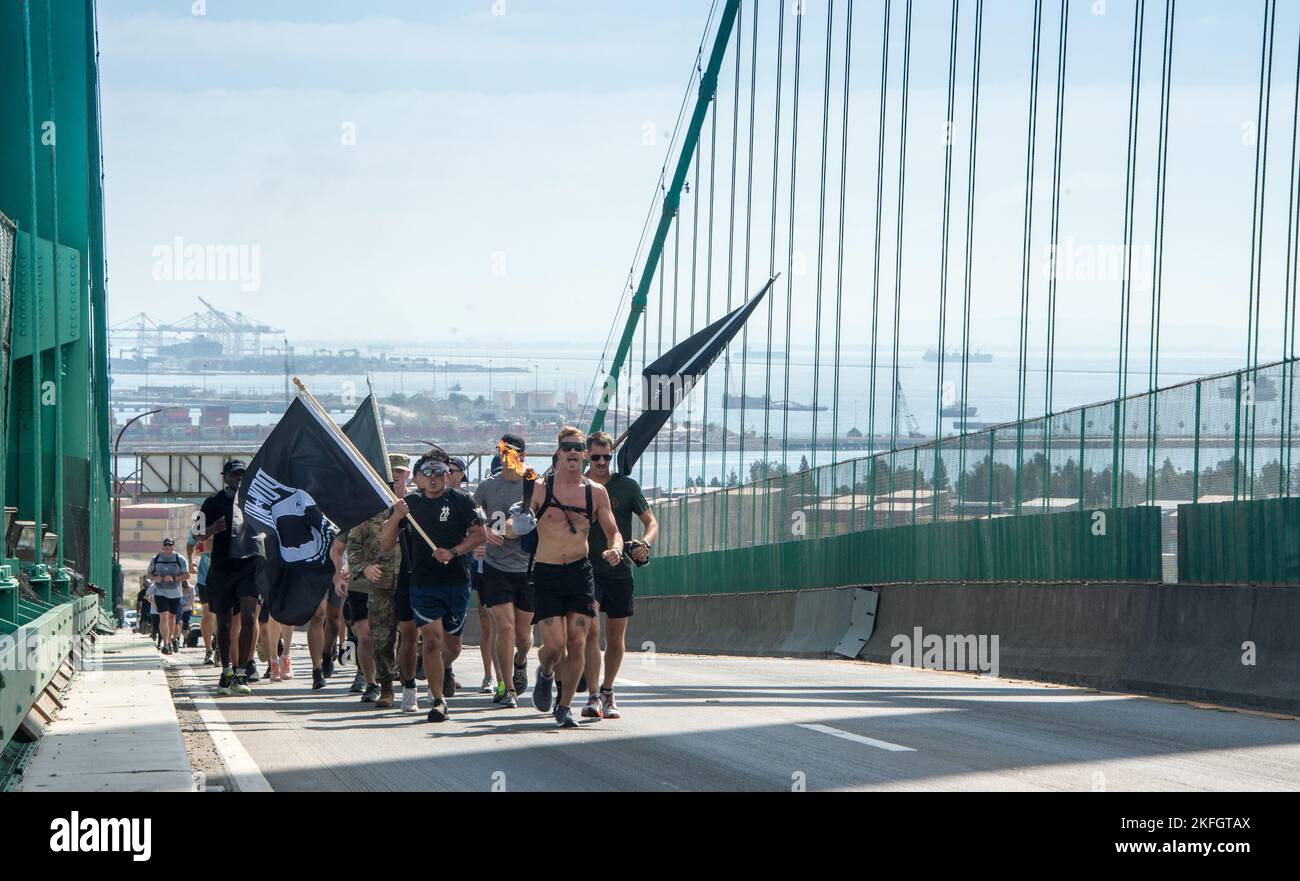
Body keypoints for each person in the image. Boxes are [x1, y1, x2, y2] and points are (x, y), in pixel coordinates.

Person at [519, 426, 623, 729]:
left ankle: (563, 707)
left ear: (585, 455)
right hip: (547, 573)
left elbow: (613, 532)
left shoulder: (595, 492)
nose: (573, 453)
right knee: (554, 647)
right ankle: (546, 672)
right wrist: (515, 525)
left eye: (579, 448)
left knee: (578, 641)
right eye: (568, 448)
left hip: (579, 572)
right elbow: (518, 524)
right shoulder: (540, 488)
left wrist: (616, 550)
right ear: (558, 453)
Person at [380, 450, 487, 723]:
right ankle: (438, 700)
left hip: (456, 580)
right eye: (427, 472)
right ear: (418, 477)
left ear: (447, 474)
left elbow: (480, 535)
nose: (433, 477)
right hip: (422, 582)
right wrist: (395, 517)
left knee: (452, 648)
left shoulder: (462, 500)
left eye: (439, 471)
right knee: (431, 640)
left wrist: (453, 551)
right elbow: (385, 543)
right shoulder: (410, 503)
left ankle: (435, 670)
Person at [581, 431, 657, 719]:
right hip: (586, 569)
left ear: (612, 456)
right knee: (591, 631)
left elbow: (651, 522)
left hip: (619, 570)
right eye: (596, 456)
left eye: (607, 457)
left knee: (615, 638)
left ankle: (607, 690)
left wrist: (645, 544)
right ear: (587, 455)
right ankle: (591, 696)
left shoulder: (627, 487)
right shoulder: (577, 487)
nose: (602, 462)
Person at [332, 455, 404, 704]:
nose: (393, 483)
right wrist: (361, 567)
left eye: (398, 477)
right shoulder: (364, 512)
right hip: (364, 582)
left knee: (399, 634)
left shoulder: (411, 509)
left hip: (400, 580)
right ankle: (371, 681)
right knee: (367, 635)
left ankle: (400, 676)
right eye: (388, 480)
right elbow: (346, 547)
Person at [473, 435, 536, 709]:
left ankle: (520, 661)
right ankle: (507, 687)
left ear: (522, 455)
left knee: (523, 636)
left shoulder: (534, 485)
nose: (508, 455)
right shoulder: (488, 487)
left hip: (528, 567)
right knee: (505, 627)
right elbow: (471, 521)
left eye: (514, 452)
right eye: (504, 450)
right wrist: (483, 533)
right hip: (496, 567)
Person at [197, 459, 259, 696]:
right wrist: (213, 528)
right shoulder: (213, 502)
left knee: (249, 616)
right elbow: (197, 533)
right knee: (222, 625)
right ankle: (226, 670)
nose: (239, 479)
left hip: (249, 564)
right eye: (234, 475)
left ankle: (242, 672)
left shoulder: (254, 500)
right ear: (225, 477)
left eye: (242, 475)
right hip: (222, 568)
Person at [448, 455, 491, 696]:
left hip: (466, 566)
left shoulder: (469, 502)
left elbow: (479, 532)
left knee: (457, 623)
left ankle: (447, 669)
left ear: (461, 474)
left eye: (454, 470)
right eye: (447, 469)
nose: (448, 474)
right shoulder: (432, 500)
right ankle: (443, 670)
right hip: (437, 568)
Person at [147, 537, 186, 654]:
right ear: (162, 546)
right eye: (165, 546)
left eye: (170, 546)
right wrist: (155, 578)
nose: (167, 548)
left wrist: (174, 578)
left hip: (175, 593)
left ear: (173, 546)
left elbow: (187, 575)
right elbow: (149, 572)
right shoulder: (156, 559)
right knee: (163, 616)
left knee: (172, 618)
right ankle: (166, 644)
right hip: (160, 591)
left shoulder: (180, 559)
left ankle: (171, 640)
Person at [187, 535, 217, 665]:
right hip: (204, 579)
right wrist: (190, 563)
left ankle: (220, 647)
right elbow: (191, 546)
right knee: (207, 613)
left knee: (221, 614)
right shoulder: (201, 523)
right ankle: (209, 650)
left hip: (224, 578)